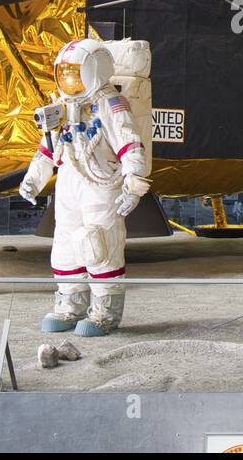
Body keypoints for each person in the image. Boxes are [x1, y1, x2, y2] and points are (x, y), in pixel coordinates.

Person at [19, 39, 150, 337]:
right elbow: (48, 148)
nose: (69, 78)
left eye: (74, 72)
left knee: (99, 244)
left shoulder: (111, 104)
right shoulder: (63, 106)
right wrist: (33, 180)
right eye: (64, 72)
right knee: (65, 244)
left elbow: (130, 144)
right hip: (69, 181)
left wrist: (134, 185)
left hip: (101, 182)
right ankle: (69, 305)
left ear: (94, 70)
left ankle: (104, 313)